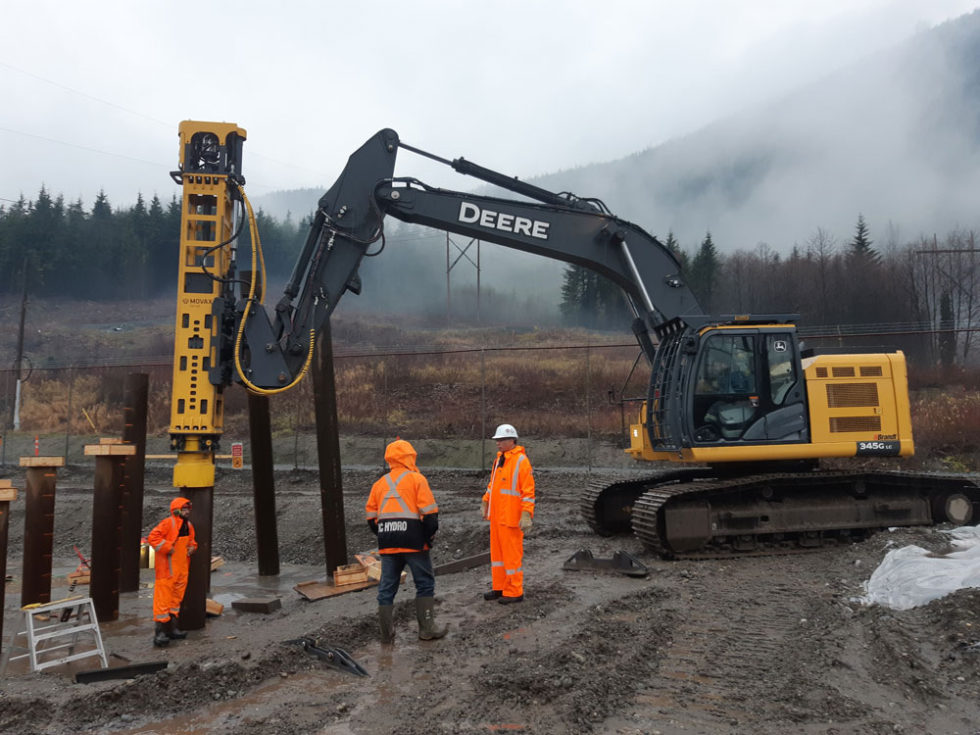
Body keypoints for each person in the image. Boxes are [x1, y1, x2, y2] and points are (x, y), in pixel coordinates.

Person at [365, 439, 447, 643]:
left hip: (388, 541)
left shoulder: (379, 484)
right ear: (410, 457)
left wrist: (386, 533)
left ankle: (386, 634)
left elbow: (371, 518)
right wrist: (428, 536)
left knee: (386, 587)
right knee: (424, 584)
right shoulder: (417, 480)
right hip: (414, 542)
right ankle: (427, 629)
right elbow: (430, 516)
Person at [481, 423, 535, 604]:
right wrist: (485, 501)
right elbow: (493, 484)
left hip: (511, 517)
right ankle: (500, 587)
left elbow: (528, 491)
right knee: (497, 557)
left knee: (511, 557)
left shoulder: (521, 461)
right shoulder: (499, 460)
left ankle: (514, 591)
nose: (498, 443)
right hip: (497, 517)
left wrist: (526, 514)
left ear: (512, 440)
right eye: (497, 440)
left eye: (501, 440)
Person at [148, 497, 197, 647]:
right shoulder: (168, 523)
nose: (187, 511)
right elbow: (153, 537)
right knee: (162, 602)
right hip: (166, 570)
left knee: (175, 601)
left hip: (181, 569)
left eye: (188, 509)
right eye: (184, 509)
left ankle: (172, 629)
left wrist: (192, 548)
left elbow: (192, 542)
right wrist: (168, 547)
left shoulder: (188, 526)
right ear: (177, 510)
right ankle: (160, 634)